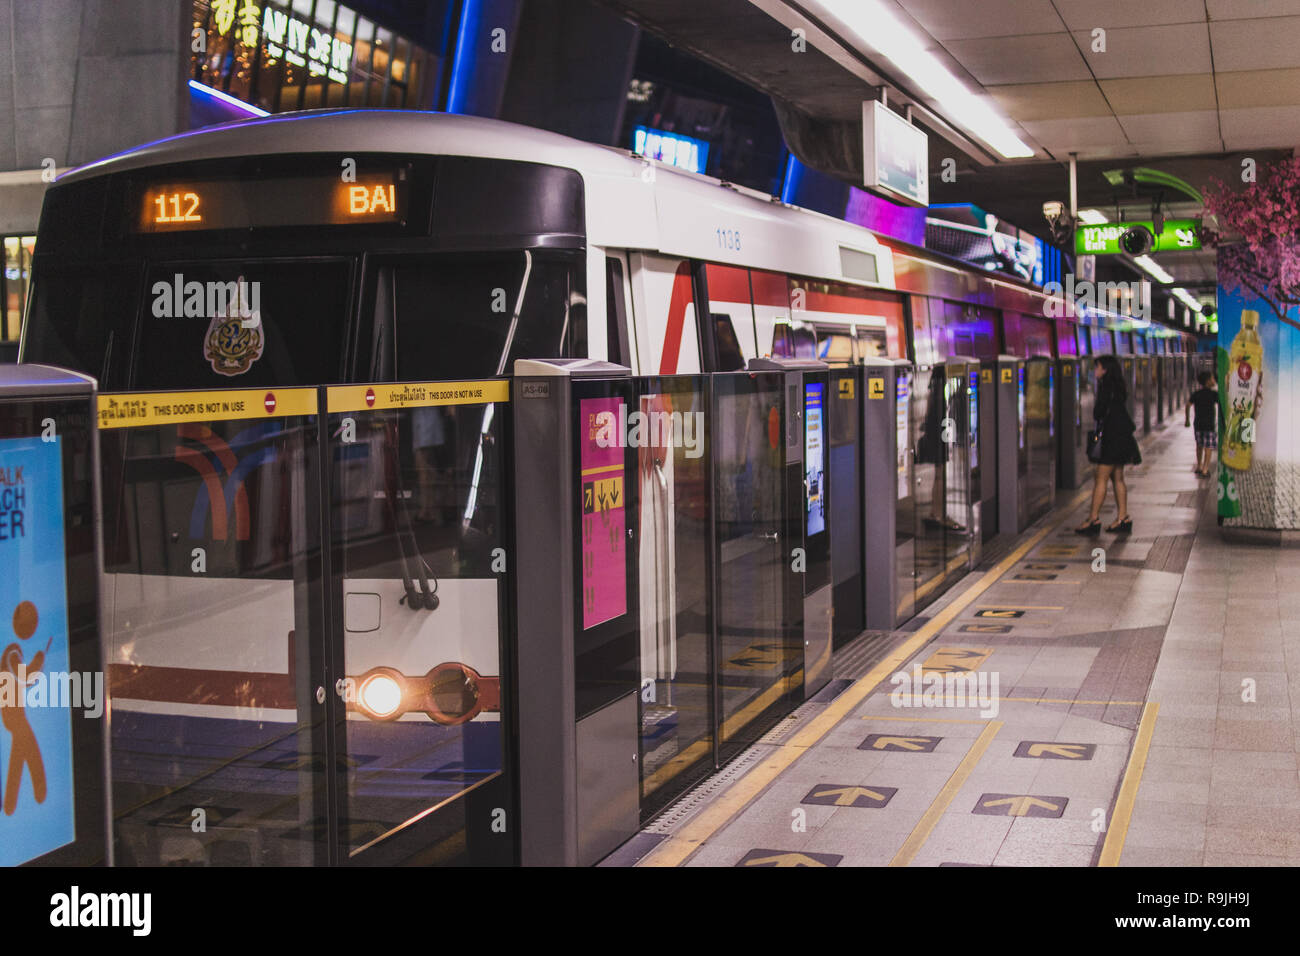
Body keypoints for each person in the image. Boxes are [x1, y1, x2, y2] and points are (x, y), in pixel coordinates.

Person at [1076, 354, 1141, 535]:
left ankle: (1093, 519)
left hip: (1111, 438)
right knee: (1117, 477)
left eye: (1097, 367)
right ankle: (1123, 518)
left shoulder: (1105, 388)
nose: (1094, 371)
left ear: (1105, 369)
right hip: (1122, 436)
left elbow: (1098, 413)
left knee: (1101, 478)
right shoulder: (1118, 387)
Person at [1185, 371, 1220, 478]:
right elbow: (1222, 404)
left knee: (1199, 445)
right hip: (1209, 425)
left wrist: (1187, 420)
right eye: (1213, 378)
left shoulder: (1196, 394)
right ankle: (1205, 469)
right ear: (1208, 381)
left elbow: (1188, 405)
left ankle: (1199, 466)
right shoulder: (1214, 394)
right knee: (1208, 447)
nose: (1214, 380)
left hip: (1198, 425)